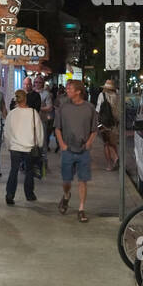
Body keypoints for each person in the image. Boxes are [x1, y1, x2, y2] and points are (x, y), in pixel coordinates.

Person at [54, 79, 96, 223]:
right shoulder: (63, 108)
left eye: (70, 88)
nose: (67, 90)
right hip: (68, 149)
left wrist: (89, 142)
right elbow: (57, 128)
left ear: (78, 91)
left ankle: (81, 209)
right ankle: (66, 196)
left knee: (82, 180)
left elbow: (94, 129)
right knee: (67, 181)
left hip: (83, 150)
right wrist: (62, 144)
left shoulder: (89, 108)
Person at [2, 89, 43, 204]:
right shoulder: (33, 113)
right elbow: (39, 131)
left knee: (13, 170)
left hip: (15, 147)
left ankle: (10, 195)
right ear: (26, 98)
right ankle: (29, 194)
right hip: (29, 147)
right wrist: (39, 144)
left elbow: (7, 131)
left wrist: (9, 144)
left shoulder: (12, 114)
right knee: (29, 171)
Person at [96, 78, 121, 171]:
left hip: (104, 123)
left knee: (106, 144)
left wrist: (97, 123)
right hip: (114, 123)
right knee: (113, 144)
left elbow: (98, 110)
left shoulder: (102, 95)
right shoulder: (117, 96)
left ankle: (110, 164)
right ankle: (116, 160)